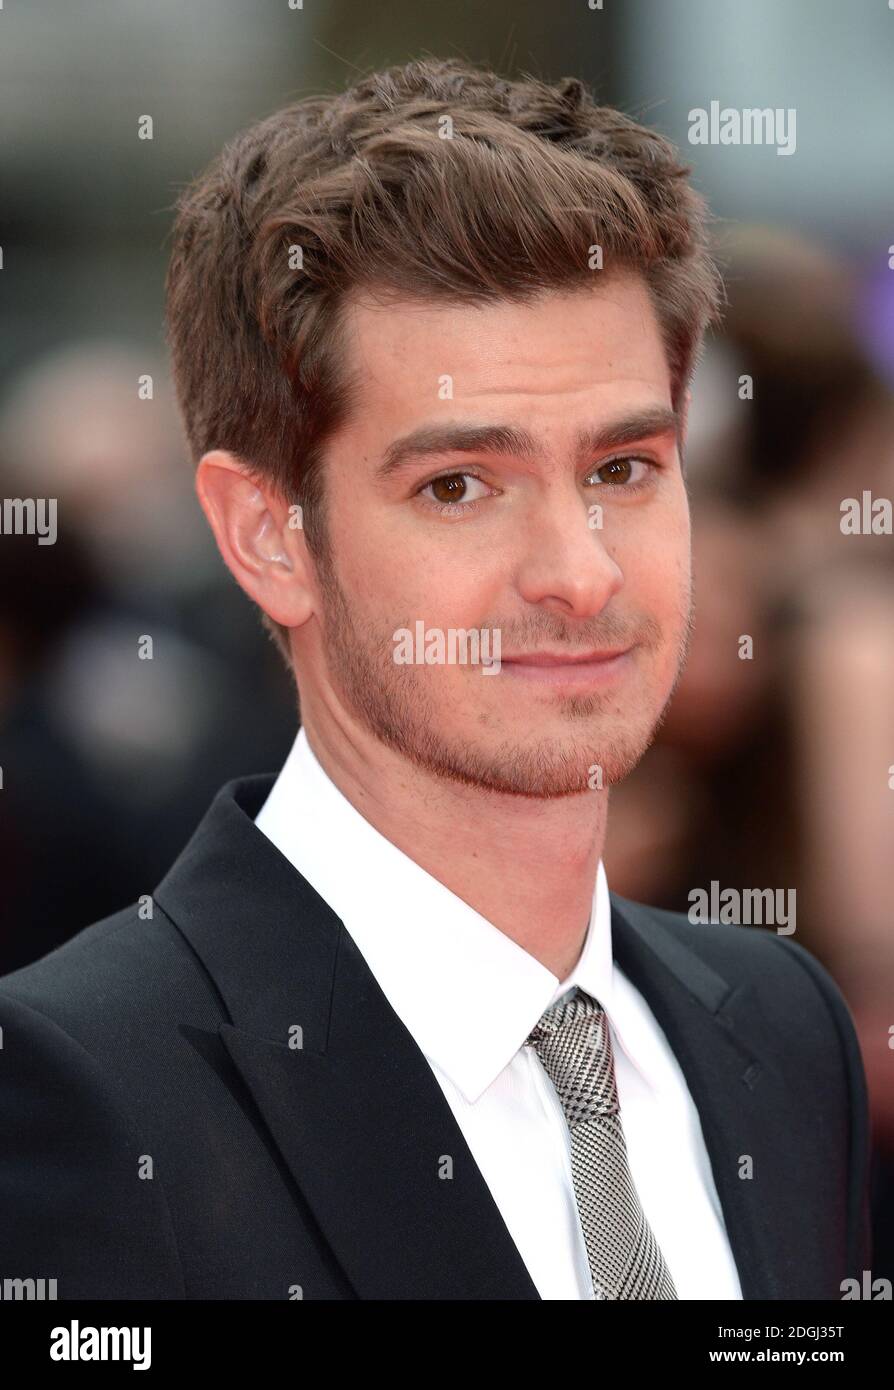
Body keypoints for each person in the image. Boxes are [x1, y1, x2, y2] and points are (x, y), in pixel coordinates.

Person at [0, 57, 871, 1300]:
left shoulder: (781, 1033)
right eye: (458, 486)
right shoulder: (86, 1093)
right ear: (267, 535)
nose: (579, 574)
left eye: (624, 467)